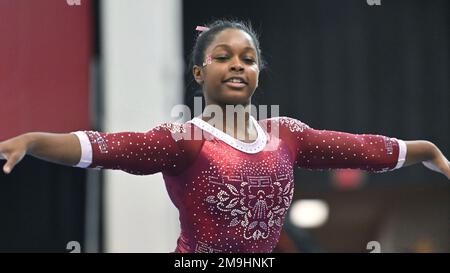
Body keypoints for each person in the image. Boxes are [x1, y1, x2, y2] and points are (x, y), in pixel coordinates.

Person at [0, 20, 448, 253]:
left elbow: (364, 149)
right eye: (224, 56)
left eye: (248, 59)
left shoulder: (286, 135)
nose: (238, 64)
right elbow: (107, 147)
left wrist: (425, 150)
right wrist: (35, 141)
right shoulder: (184, 139)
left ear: (257, 73)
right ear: (200, 72)